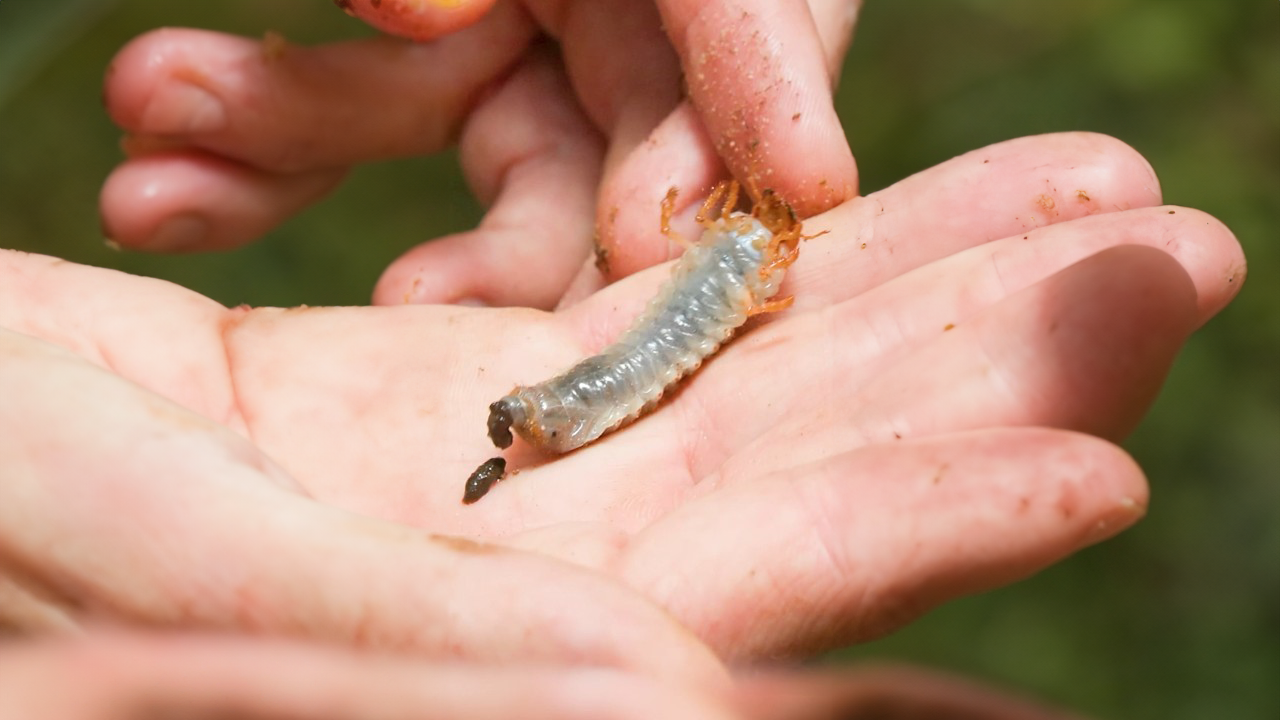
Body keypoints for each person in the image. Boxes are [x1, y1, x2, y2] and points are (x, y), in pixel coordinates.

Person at [0, 0, 1245, 716]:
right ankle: (550, 415)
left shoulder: (724, 263)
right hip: (586, 387)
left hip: (601, 370)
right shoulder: (728, 269)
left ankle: (551, 413)